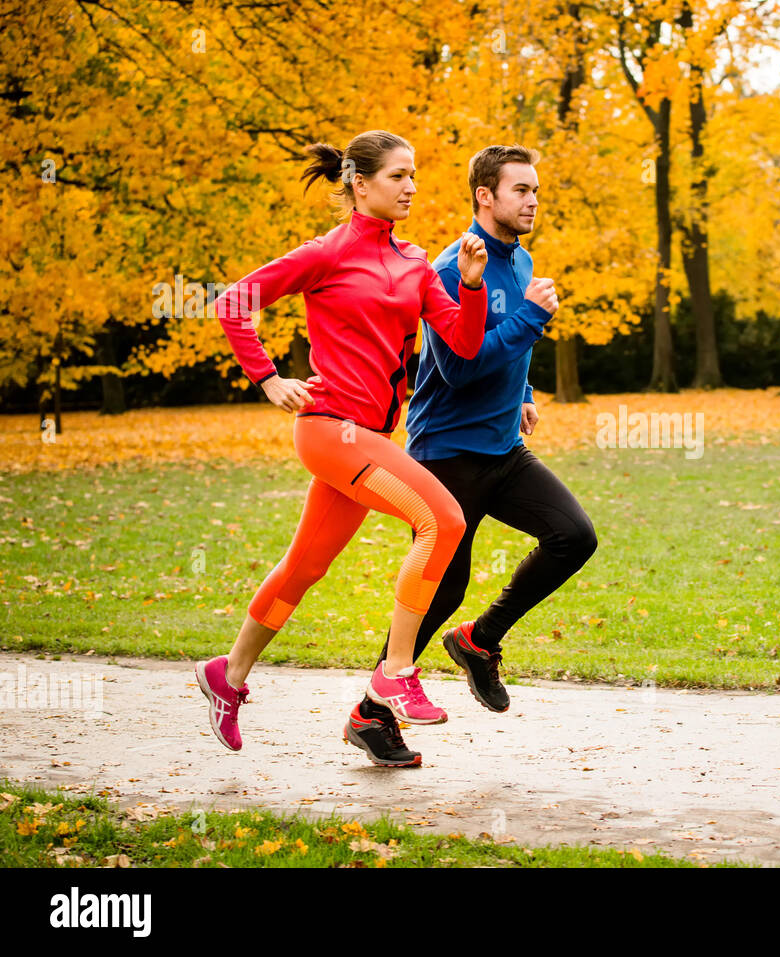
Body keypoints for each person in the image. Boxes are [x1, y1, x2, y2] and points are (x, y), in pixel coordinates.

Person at [193, 130, 489, 756]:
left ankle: (229, 675)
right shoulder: (325, 253)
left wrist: (469, 283)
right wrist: (269, 378)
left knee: (306, 566)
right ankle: (395, 674)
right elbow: (235, 302)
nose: (411, 187)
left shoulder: (414, 261)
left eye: (414, 175)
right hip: (330, 430)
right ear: (360, 183)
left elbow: (462, 344)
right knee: (443, 520)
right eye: (397, 176)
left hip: (371, 437)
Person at [342, 144, 598, 768]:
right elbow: (456, 367)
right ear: (485, 196)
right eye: (520, 190)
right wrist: (533, 321)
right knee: (442, 589)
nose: (532, 200)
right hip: (446, 454)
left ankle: (480, 643)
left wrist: (526, 393)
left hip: (502, 449)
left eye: (535, 189)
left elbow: (506, 348)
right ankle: (371, 713)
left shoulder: (522, 258)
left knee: (574, 536)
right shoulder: (459, 266)